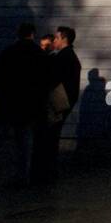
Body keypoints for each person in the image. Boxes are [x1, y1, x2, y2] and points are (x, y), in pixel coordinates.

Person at [0, 22, 48, 186]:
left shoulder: (8, 52)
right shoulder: (39, 54)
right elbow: (45, 82)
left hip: (7, 103)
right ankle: (22, 177)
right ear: (33, 34)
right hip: (29, 106)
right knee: (24, 144)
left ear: (18, 34)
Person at [32, 26, 81, 186]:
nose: (55, 41)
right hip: (62, 104)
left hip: (56, 104)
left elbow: (51, 78)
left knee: (49, 137)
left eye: (57, 38)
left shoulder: (64, 58)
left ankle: (45, 172)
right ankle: (48, 171)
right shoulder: (69, 57)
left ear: (64, 39)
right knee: (52, 137)